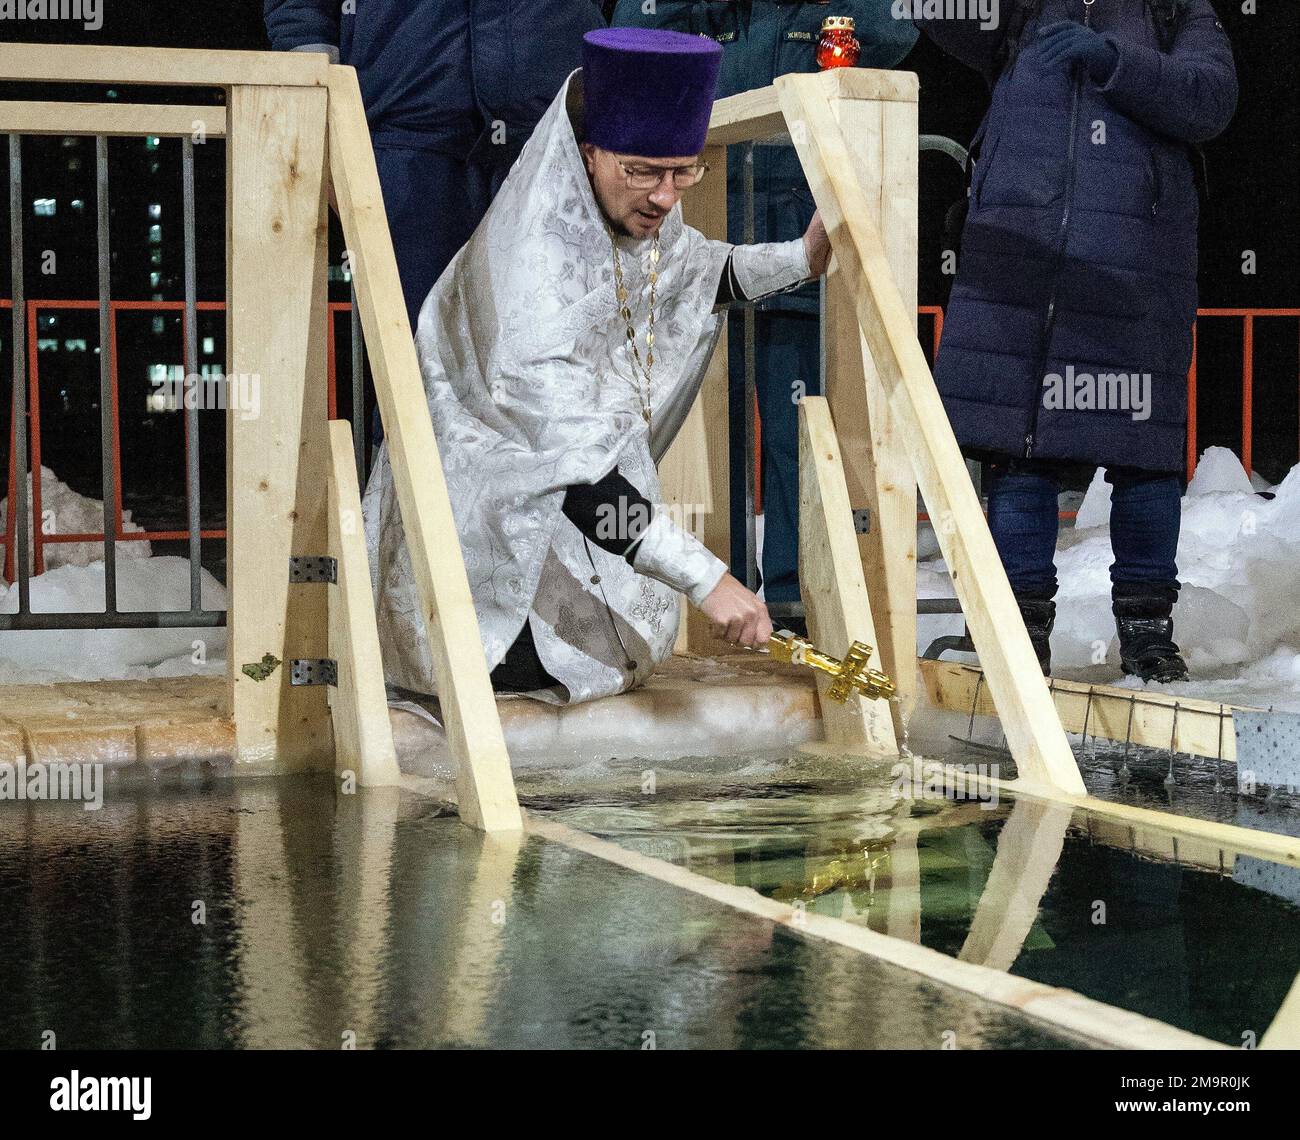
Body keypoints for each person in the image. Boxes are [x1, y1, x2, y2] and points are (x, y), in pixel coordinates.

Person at [363, 27, 833, 704]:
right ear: (587, 157)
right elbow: (577, 475)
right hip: (486, 526)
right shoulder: (531, 268)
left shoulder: (633, 207)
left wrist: (800, 257)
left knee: (626, 643)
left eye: (683, 171)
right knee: (530, 665)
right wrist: (709, 580)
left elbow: (695, 273)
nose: (666, 198)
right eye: (643, 171)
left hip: (575, 499)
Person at [915, 1, 1237, 682]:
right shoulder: (1022, 11)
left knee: (1142, 455)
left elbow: (1209, 101)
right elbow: (935, 14)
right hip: (1021, 264)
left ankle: (1148, 638)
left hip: (1131, 266)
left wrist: (1117, 62)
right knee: (1018, 452)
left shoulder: (1175, 10)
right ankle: (1018, 633)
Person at [612, 1, 917, 616]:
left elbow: (899, 32)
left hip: (797, 250)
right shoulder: (709, 9)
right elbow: (631, 36)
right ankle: (707, 594)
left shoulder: (836, 10)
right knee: (698, 437)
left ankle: (790, 604)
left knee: (793, 437)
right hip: (699, 243)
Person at [263, 1, 607, 445]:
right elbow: (300, 9)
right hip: (405, 134)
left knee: (565, 387)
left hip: (559, 132)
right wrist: (319, 109)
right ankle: (405, 514)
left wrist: (615, 103)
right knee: (414, 386)